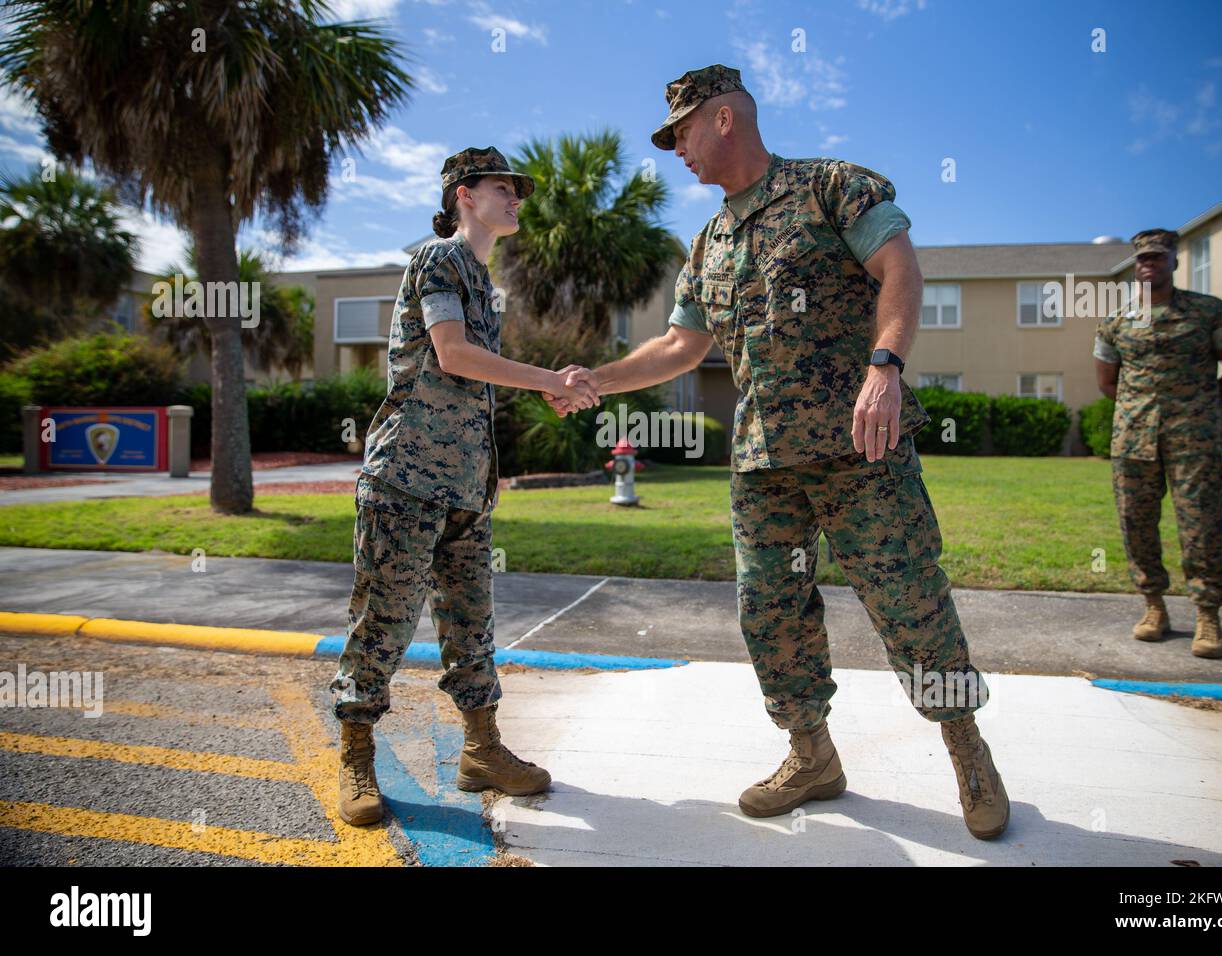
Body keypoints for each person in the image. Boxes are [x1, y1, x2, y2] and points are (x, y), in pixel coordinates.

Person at [551, 65, 1009, 840]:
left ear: (724, 118)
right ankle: (812, 755)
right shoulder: (709, 240)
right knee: (770, 614)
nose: (677, 152)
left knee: (910, 603)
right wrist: (597, 378)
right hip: (763, 464)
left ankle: (967, 748)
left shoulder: (832, 186)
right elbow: (678, 344)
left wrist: (885, 366)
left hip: (862, 448)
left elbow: (899, 267)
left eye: (683, 133)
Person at [329, 146, 599, 826]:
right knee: (381, 624)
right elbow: (451, 353)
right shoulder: (438, 259)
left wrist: (509, 440)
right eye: (503, 188)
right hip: (405, 481)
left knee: (471, 626)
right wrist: (549, 381)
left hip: (463, 490)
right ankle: (356, 757)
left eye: (517, 191)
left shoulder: (481, 282)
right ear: (463, 195)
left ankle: (482, 750)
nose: (515, 199)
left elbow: (473, 381)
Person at [1093, 228, 1222, 659]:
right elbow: (1107, 382)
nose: (1150, 264)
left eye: (1158, 258)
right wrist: (1138, 412)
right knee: (1136, 523)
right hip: (1133, 440)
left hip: (1194, 440)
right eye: (1143, 258)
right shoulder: (1115, 323)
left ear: (1174, 262)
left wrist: (1203, 408)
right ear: (1134, 265)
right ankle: (1153, 607)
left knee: (1201, 524)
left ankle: (1208, 615)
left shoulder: (1210, 313)